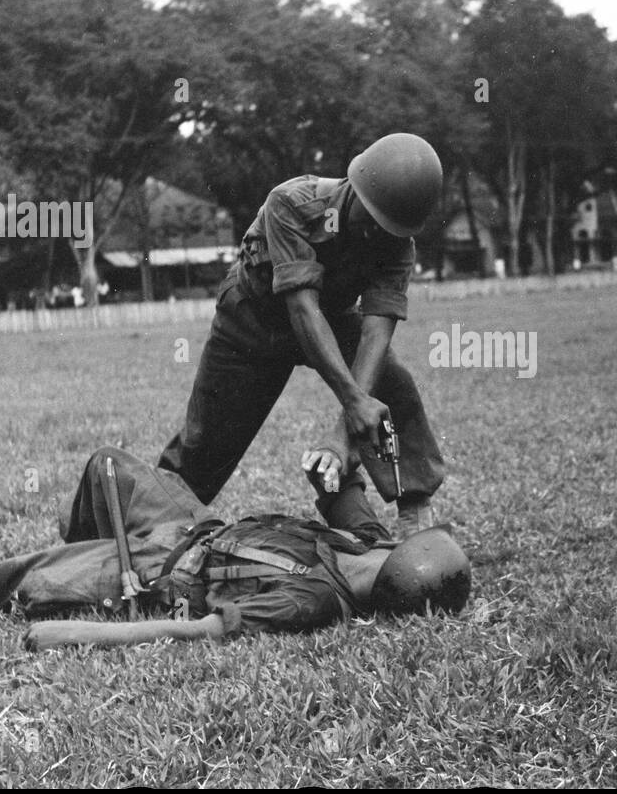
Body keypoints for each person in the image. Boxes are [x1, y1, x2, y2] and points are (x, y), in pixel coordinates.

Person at [0, 445, 470, 651]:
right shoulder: (370, 543)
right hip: (192, 524)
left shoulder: (314, 601)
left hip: (153, 569)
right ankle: (80, 551)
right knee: (109, 464)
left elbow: (197, 629)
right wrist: (328, 472)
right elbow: (339, 497)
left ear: (387, 578)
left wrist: (77, 635)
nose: (387, 539)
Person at [158, 133, 447, 540]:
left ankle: (414, 505)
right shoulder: (291, 203)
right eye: (374, 219)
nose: (378, 235)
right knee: (205, 445)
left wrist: (347, 426)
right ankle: (150, 522)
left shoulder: (397, 244)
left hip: (331, 317)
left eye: (391, 229)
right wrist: (351, 401)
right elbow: (301, 308)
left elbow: (376, 333)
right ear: (353, 190)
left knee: (393, 383)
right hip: (252, 321)